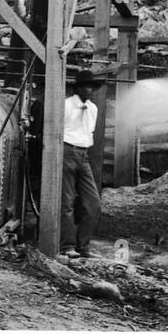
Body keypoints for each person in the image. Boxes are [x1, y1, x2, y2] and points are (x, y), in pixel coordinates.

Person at [60, 67, 103, 259]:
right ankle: (67, 246)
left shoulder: (93, 109)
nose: (88, 90)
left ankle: (84, 245)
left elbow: (89, 133)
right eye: (84, 87)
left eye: (91, 87)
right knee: (66, 201)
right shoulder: (66, 105)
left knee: (93, 202)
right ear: (76, 88)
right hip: (66, 151)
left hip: (84, 155)